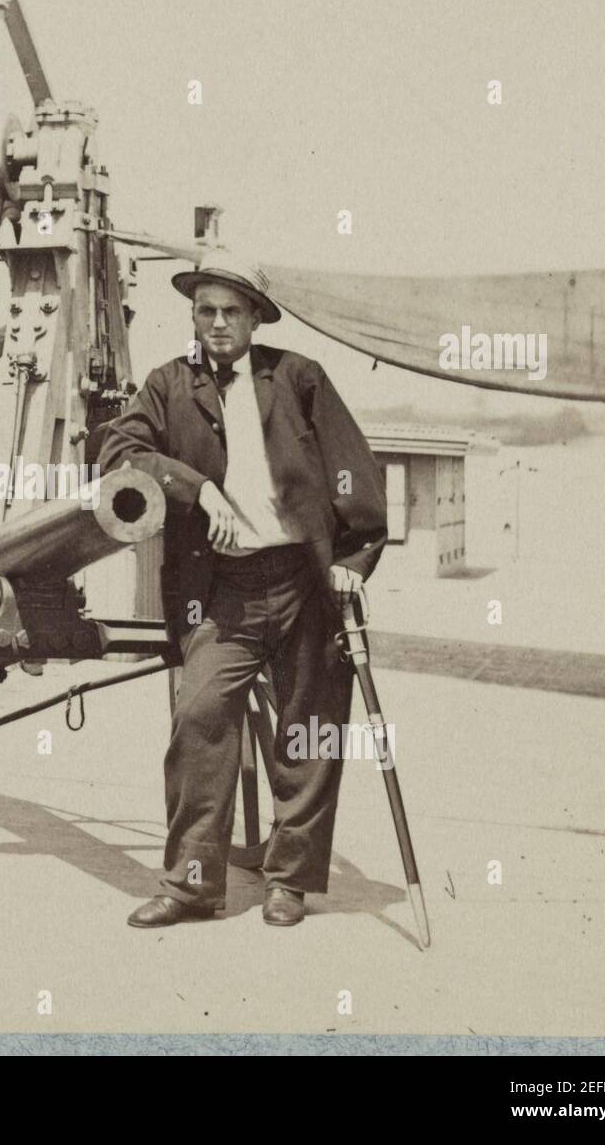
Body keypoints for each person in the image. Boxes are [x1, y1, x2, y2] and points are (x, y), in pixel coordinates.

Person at [97, 248, 387, 927]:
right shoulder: (169, 386)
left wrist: (355, 558)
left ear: (256, 318)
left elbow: (353, 474)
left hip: (304, 585)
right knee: (199, 715)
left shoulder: (300, 379)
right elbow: (118, 453)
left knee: (307, 729)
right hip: (219, 591)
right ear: (193, 317)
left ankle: (289, 882)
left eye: (232, 311)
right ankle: (193, 886)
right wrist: (197, 490)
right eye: (206, 311)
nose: (218, 323)